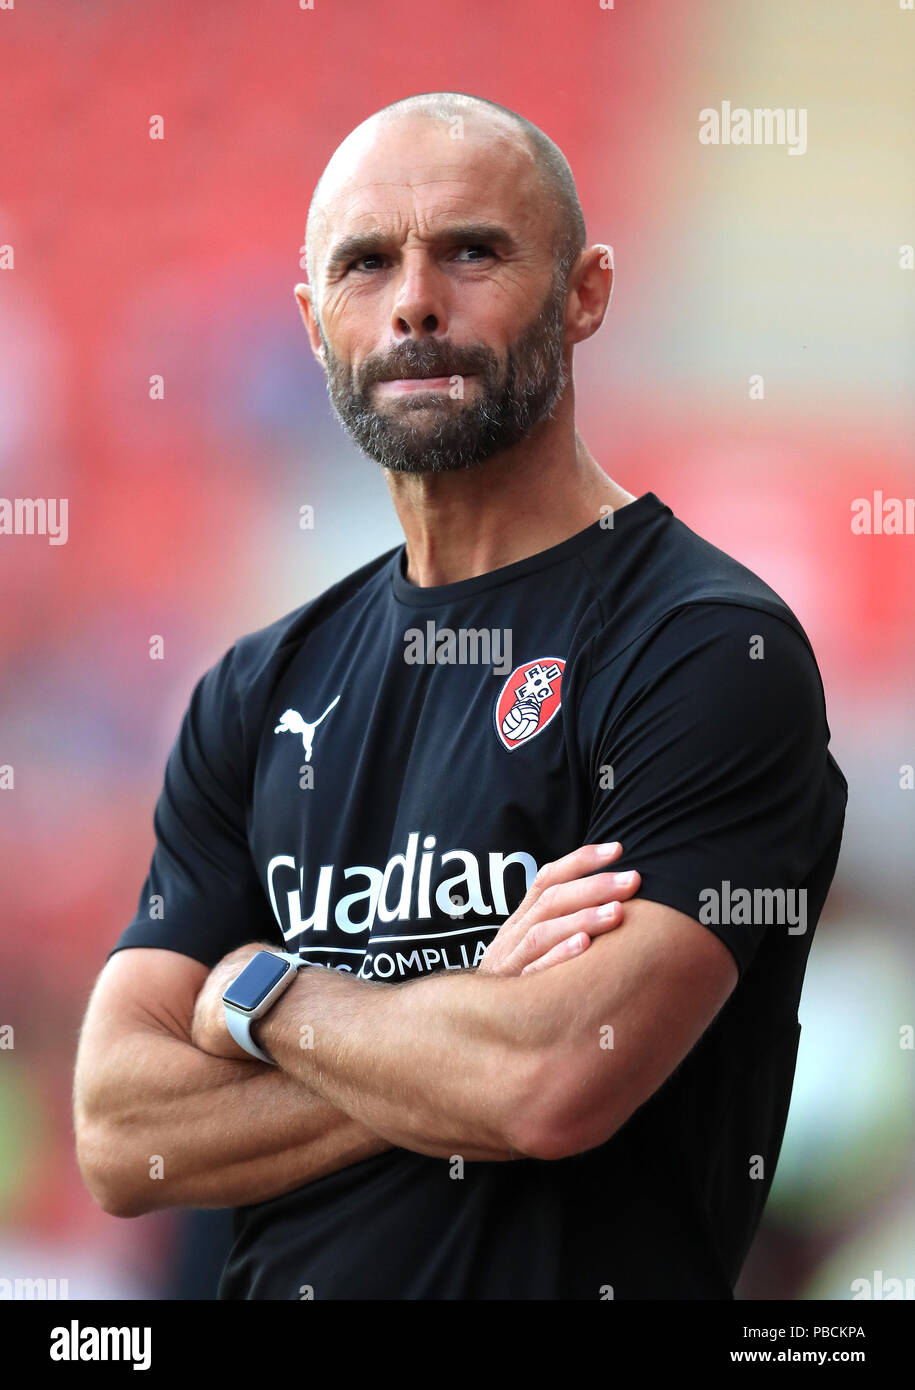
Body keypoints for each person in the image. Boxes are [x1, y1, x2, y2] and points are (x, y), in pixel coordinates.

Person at [73, 91, 847, 1300]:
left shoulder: (706, 651)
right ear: (315, 322)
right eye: (367, 263)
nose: (416, 302)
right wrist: (474, 1013)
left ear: (586, 292)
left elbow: (549, 1084)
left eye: (472, 251)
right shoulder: (256, 687)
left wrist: (262, 992)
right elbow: (122, 1131)